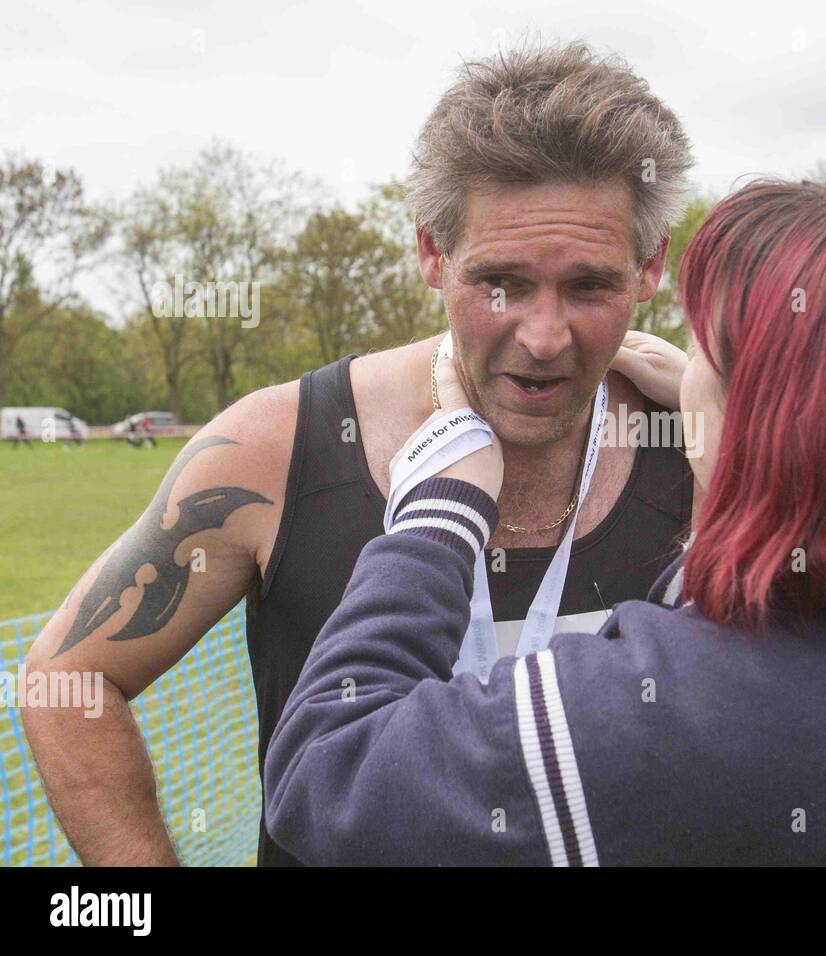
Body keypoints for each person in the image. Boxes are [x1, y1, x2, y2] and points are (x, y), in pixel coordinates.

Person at [264, 179, 826, 866]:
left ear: (772, 429)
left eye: (712, 364)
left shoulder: (671, 708)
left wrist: (442, 504)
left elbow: (328, 771)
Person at [21, 41, 696, 866]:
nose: (545, 336)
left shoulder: (699, 452)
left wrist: (737, 436)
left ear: (650, 266)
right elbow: (68, 680)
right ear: (431, 254)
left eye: (590, 287)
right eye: (501, 284)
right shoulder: (277, 446)